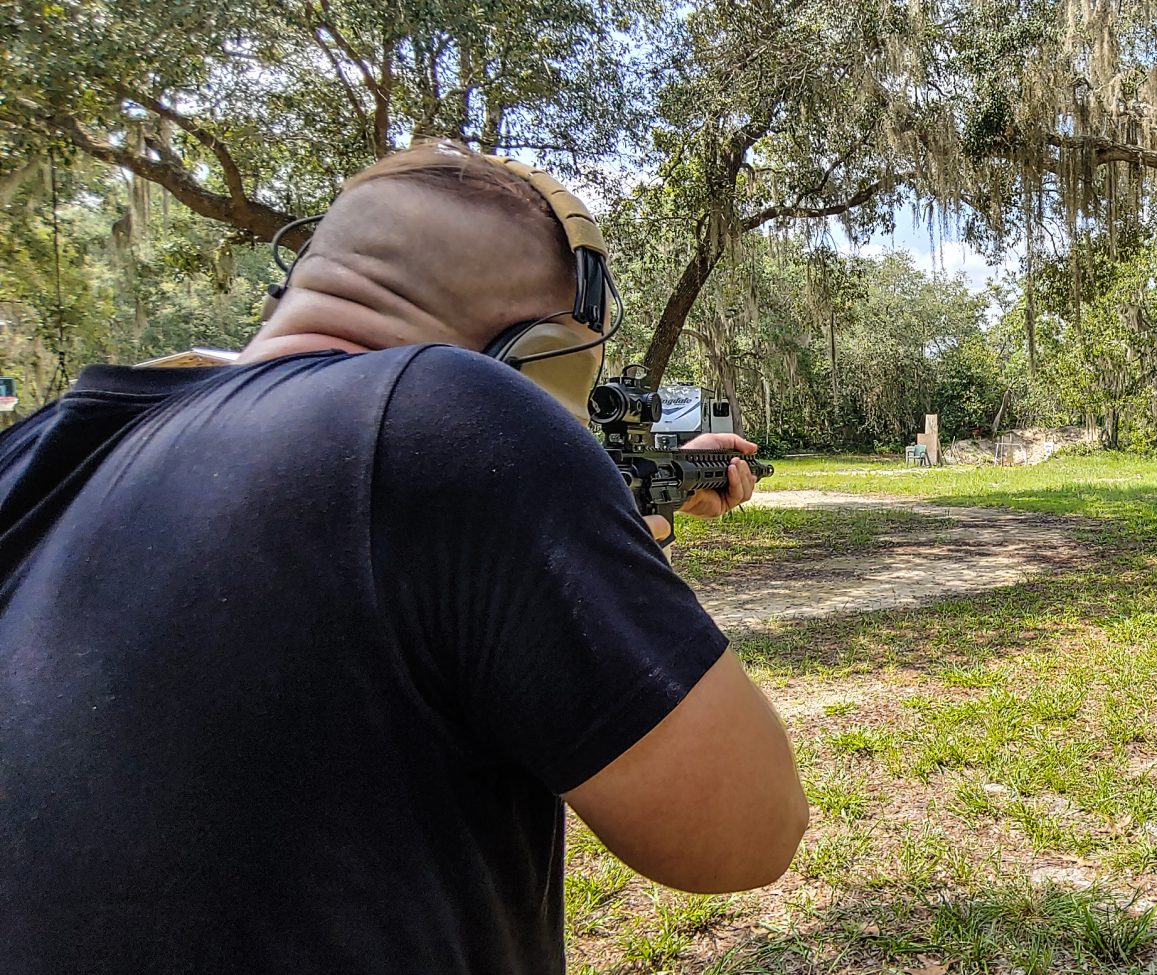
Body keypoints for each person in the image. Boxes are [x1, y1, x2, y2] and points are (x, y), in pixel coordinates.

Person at [0, 143, 808, 973]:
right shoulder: (455, 415)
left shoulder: (29, 458)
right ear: (539, 355)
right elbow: (747, 829)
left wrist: (620, 525)